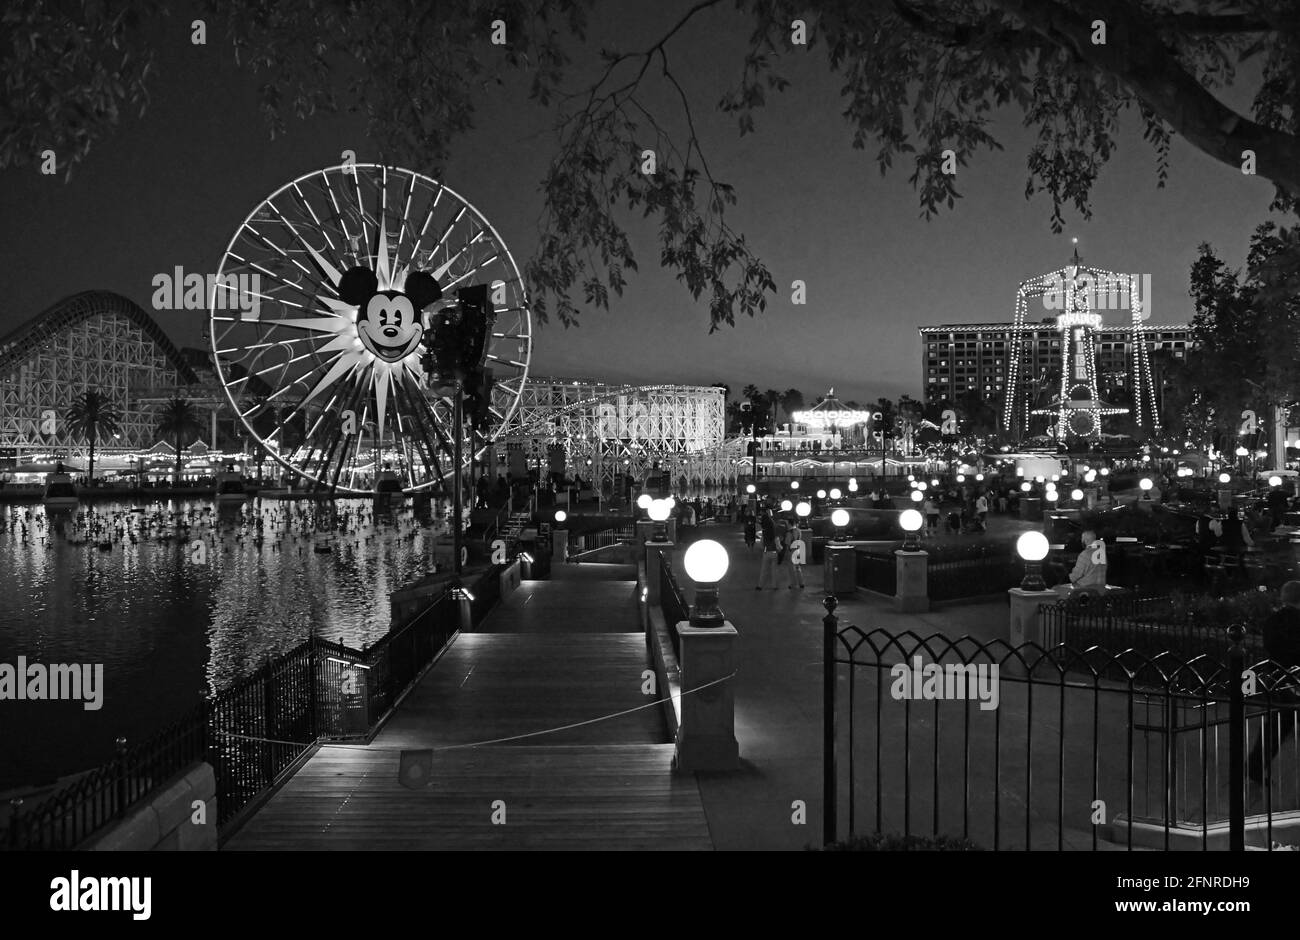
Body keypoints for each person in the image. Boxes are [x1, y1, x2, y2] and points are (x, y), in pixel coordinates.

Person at [1249, 581, 1300, 784]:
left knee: (1276, 726)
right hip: (1295, 677)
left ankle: (1255, 766)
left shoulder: (1273, 621)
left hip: (1278, 678)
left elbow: (1270, 646)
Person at [1054, 529, 1108, 599]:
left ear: (1085, 540)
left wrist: (1062, 580)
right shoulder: (1102, 554)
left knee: (1056, 589)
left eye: (1082, 539)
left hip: (1086, 591)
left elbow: (1075, 576)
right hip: (1101, 590)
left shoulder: (1085, 554)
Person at [757, 509, 779, 589]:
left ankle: (760, 585)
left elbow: (761, 545)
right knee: (774, 571)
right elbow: (779, 546)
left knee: (764, 570)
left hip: (766, 552)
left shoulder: (764, 535)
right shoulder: (775, 536)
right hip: (774, 552)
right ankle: (774, 586)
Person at [785, 517, 806, 589]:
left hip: (792, 550)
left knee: (791, 568)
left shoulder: (789, 532)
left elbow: (787, 543)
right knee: (798, 567)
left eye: (787, 523)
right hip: (798, 549)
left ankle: (792, 584)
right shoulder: (799, 531)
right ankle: (801, 583)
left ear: (790, 524)